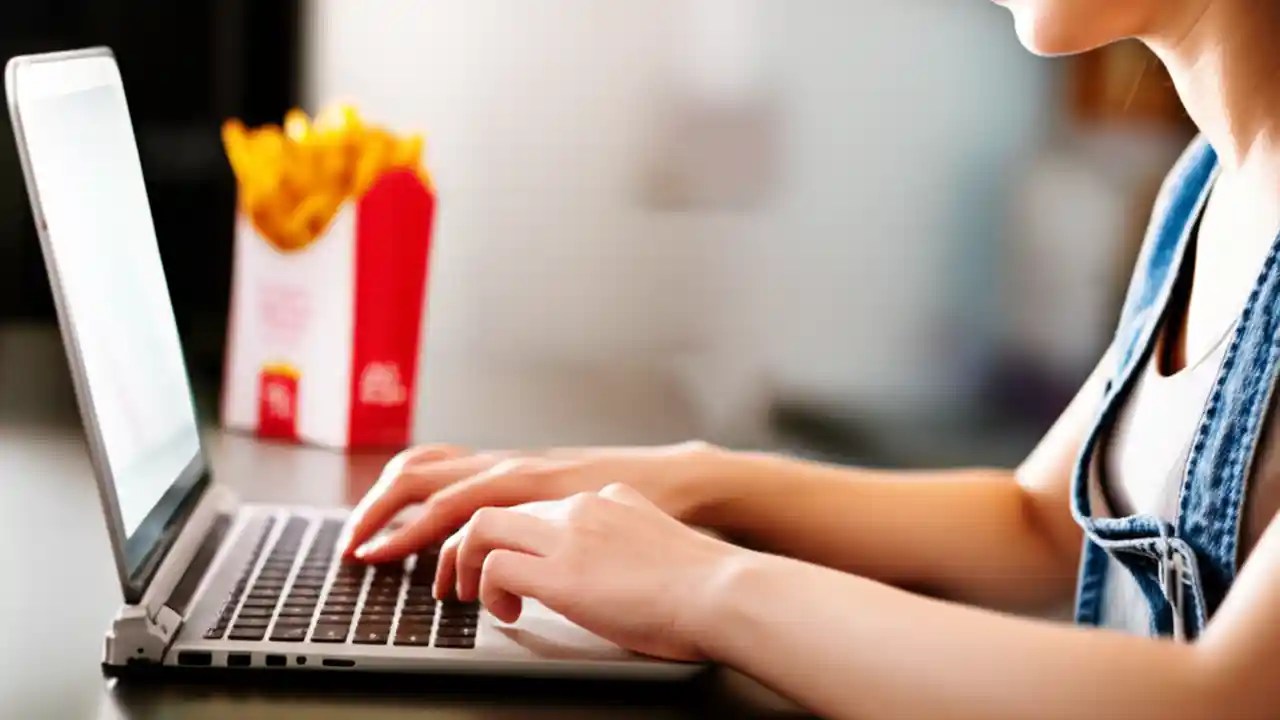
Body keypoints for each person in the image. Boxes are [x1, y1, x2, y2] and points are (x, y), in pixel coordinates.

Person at [339, 1, 1280, 717]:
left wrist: (702, 587)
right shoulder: (1206, 186)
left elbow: (1224, 698)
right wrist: (695, 484)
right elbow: (1037, 524)